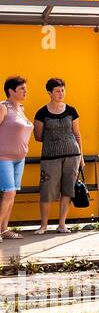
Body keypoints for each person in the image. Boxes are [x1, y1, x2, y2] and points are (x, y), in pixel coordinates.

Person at [33, 78, 82, 235]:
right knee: (47, 190)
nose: (61, 93)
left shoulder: (71, 110)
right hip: (50, 157)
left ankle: (62, 224)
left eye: (63, 90)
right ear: (49, 93)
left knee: (68, 190)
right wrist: (54, 141)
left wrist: (81, 156)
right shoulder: (42, 113)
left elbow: (77, 135)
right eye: (57, 91)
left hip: (72, 155)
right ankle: (43, 225)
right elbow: (38, 136)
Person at [0, 76, 34, 241]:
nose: (25, 91)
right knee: (9, 192)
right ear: (11, 91)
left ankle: (4, 230)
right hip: (3, 157)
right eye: (21, 88)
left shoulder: (21, 108)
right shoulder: (3, 107)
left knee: (12, 194)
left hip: (19, 159)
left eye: (25, 88)